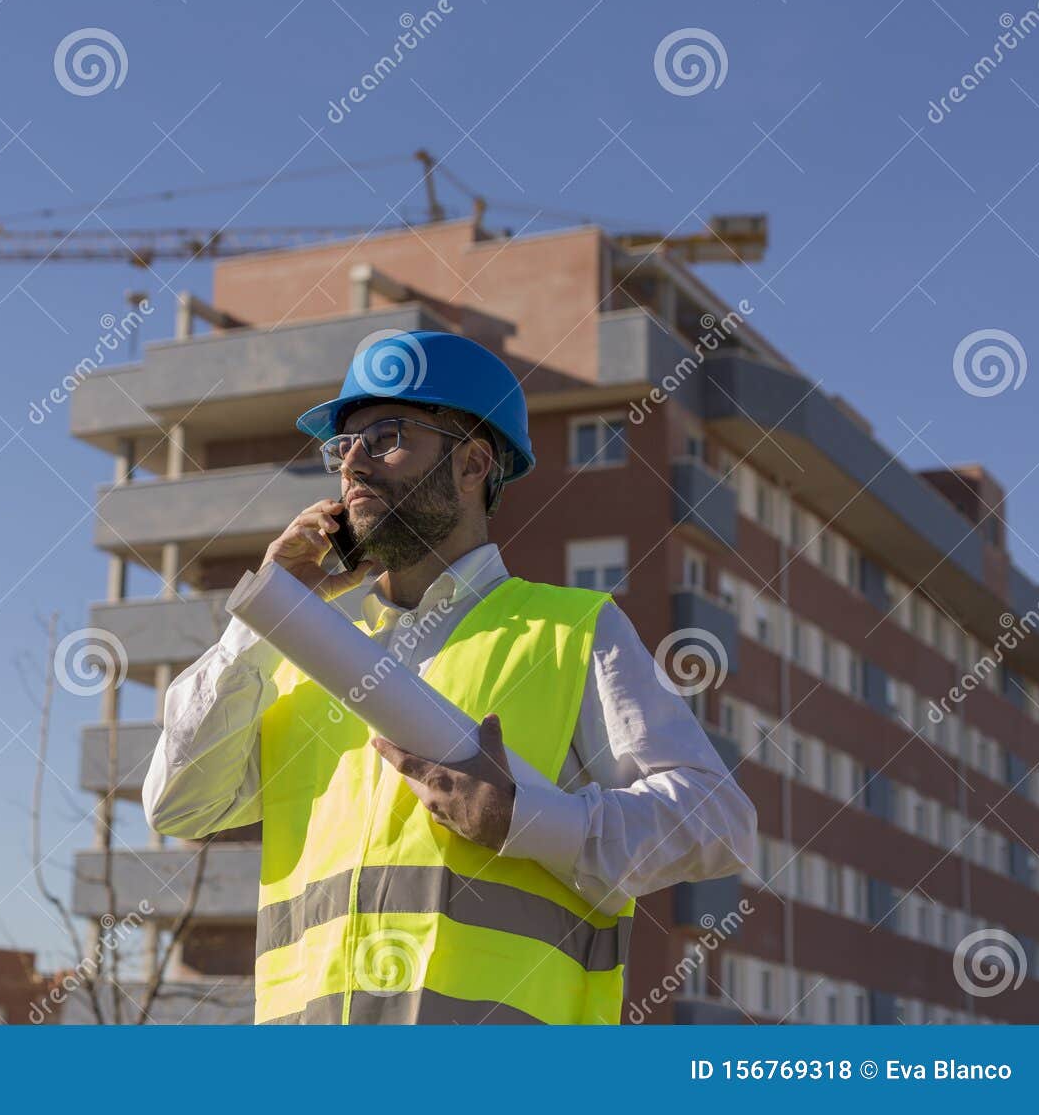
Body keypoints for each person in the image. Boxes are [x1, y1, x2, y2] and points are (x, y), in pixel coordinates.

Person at [144, 330, 757, 1025]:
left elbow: (720, 821)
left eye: (386, 436)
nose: (354, 464)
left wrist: (526, 817)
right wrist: (269, 606)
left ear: (471, 464)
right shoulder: (297, 650)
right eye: (343, 447)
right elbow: (177, 803)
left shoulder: (571, 630)